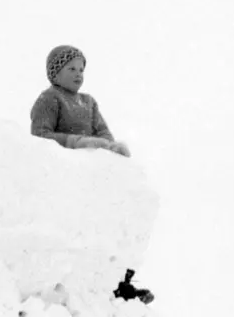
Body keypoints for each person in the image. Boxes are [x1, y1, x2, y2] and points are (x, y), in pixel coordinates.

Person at [30, 45, 153, 303]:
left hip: (94, 178)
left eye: (82, 69)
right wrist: (77, 142)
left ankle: (121, 282)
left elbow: (103, 133)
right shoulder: (49, 99)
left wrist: (111, 147)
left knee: (113, 227)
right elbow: (40, 136)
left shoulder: (89, 102)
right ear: (55, 72)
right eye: (71, 69)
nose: (78, 74)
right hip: (66, 176)